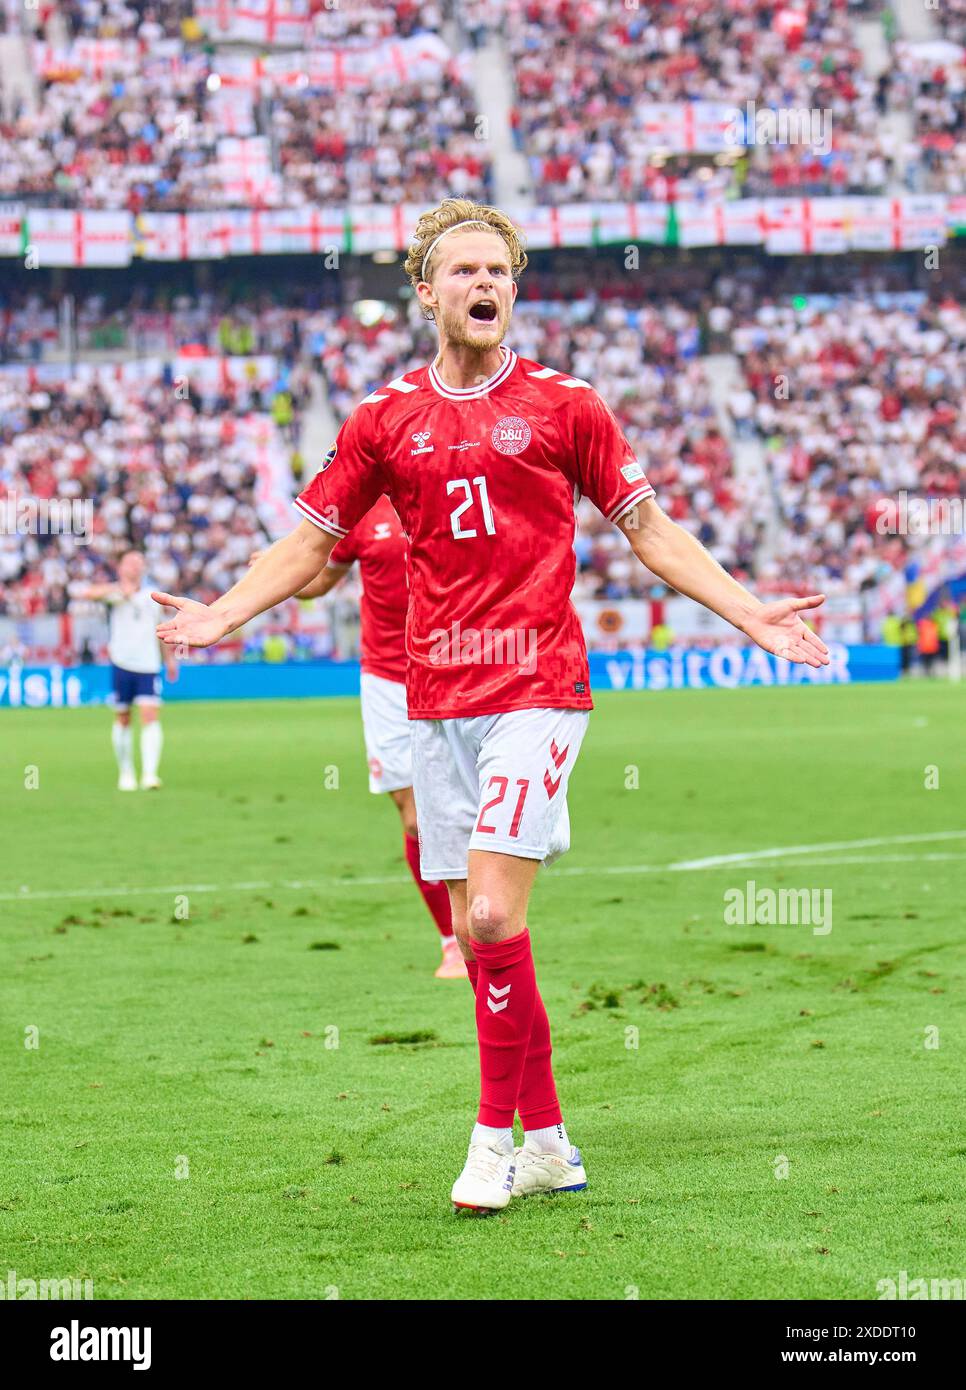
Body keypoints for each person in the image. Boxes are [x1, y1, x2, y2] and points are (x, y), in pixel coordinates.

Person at [151, 198, 829, 1215]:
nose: (484, 286)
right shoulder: (383, 420)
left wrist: (749, 615)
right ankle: (551, 1138)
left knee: (493, 909)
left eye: (498, 272)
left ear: (513, 288)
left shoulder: (569, 407)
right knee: (486, 941)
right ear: (425, 290)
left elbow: (650, 531)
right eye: (463, 271)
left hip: (537, 688)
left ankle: (488, 1145)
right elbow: (306, 542)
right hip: (438, 699)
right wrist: (223, 614)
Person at [251, 495, 464, 979]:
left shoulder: (447, 487)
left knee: (458, 808)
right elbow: (322, 578)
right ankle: (452, 941)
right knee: (414, 818)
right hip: (387, 679)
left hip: (454, 668)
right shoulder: (364, 511)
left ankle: (482, 924)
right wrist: (279, 576)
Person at [74, 551, 177, 790]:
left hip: (148, 664)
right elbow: (87, 592)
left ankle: (150, 774)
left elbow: (160, 629)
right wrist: (120, 589)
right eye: (130, 563)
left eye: (139, 563)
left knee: (150, 714)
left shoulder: (152, 596)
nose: (135, 567)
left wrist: (169, 659)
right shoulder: (114, 595)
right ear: (120, 567)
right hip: (121, 662)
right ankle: (126, 772)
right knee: (123, 718)